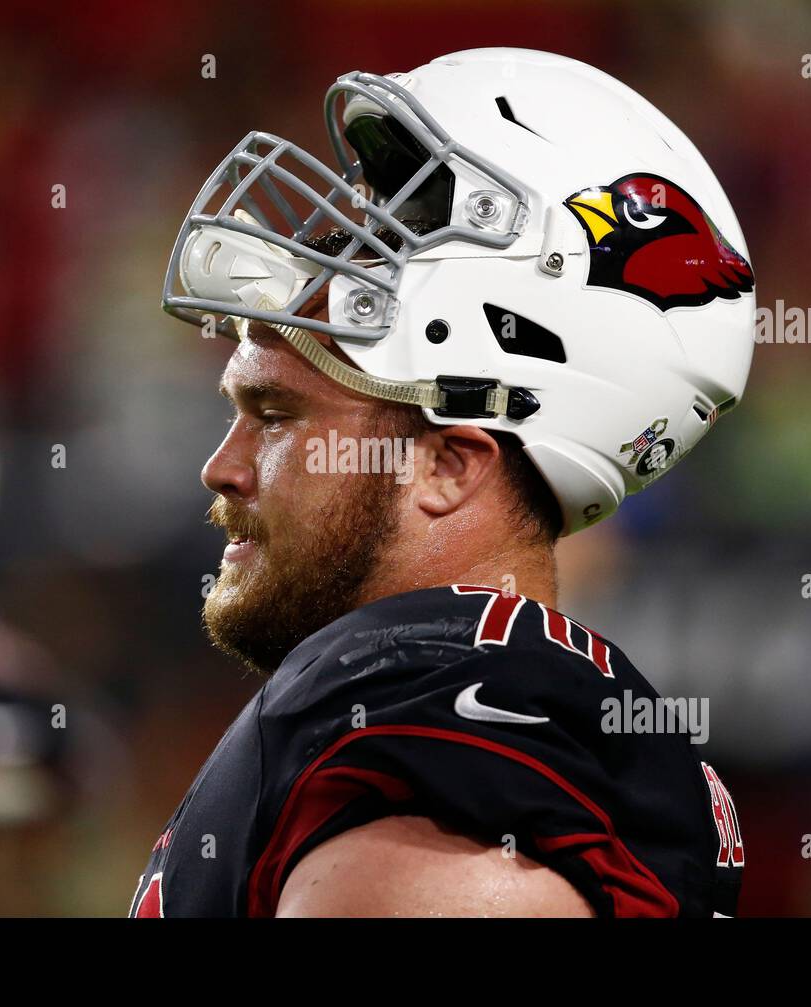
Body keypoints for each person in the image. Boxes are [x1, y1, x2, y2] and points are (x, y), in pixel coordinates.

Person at [133, 47, 755, 917]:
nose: (223, 466)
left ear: (446, 465)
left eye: (275, 418)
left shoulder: (439, 778)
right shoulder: (461, 715)